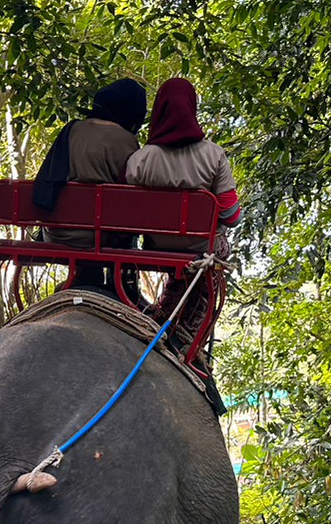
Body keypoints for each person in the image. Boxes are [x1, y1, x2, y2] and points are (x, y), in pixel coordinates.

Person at [124, 77, 240, 347]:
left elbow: (126, 209)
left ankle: (167, 304)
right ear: (192, 109)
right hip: (200, 250)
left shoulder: (140, 160)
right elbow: (232, 217)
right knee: (220, 250)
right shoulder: (214, 155)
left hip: (156, 248)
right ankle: (192, 325)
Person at [31, 78, 147, 289]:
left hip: (57, 231)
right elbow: (131, 196)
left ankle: (84, 274)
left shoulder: (71, 130)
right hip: (100, 237)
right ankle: (122, 284)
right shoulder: (126, 140)